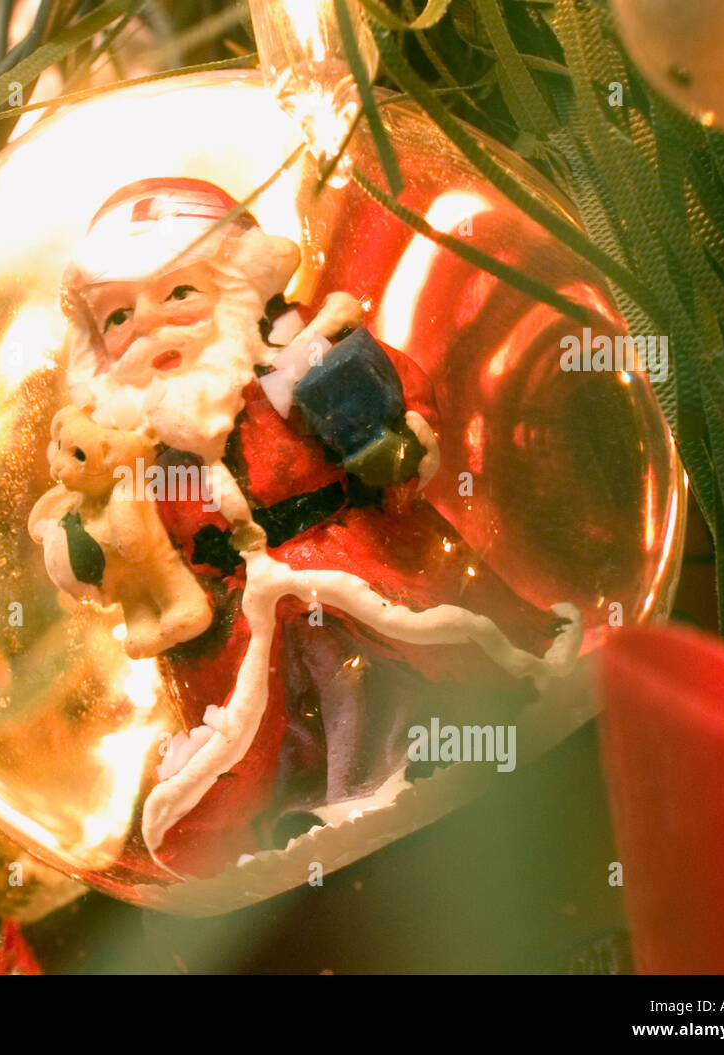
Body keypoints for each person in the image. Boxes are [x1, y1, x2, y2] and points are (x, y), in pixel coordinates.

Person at [31, 177, 580, 877]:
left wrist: (396, 442)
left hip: (356, 553)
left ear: (234, 284)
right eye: (118, 315)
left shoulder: (300, 354)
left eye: (178, 294)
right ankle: (302, 823)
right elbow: (120, 541)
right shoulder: (125, 445)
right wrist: (88, 551)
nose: (148, 324)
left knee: (406, 663)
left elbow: (395, 400)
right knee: (264, 735)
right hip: (230, 616)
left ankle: (443, 761)